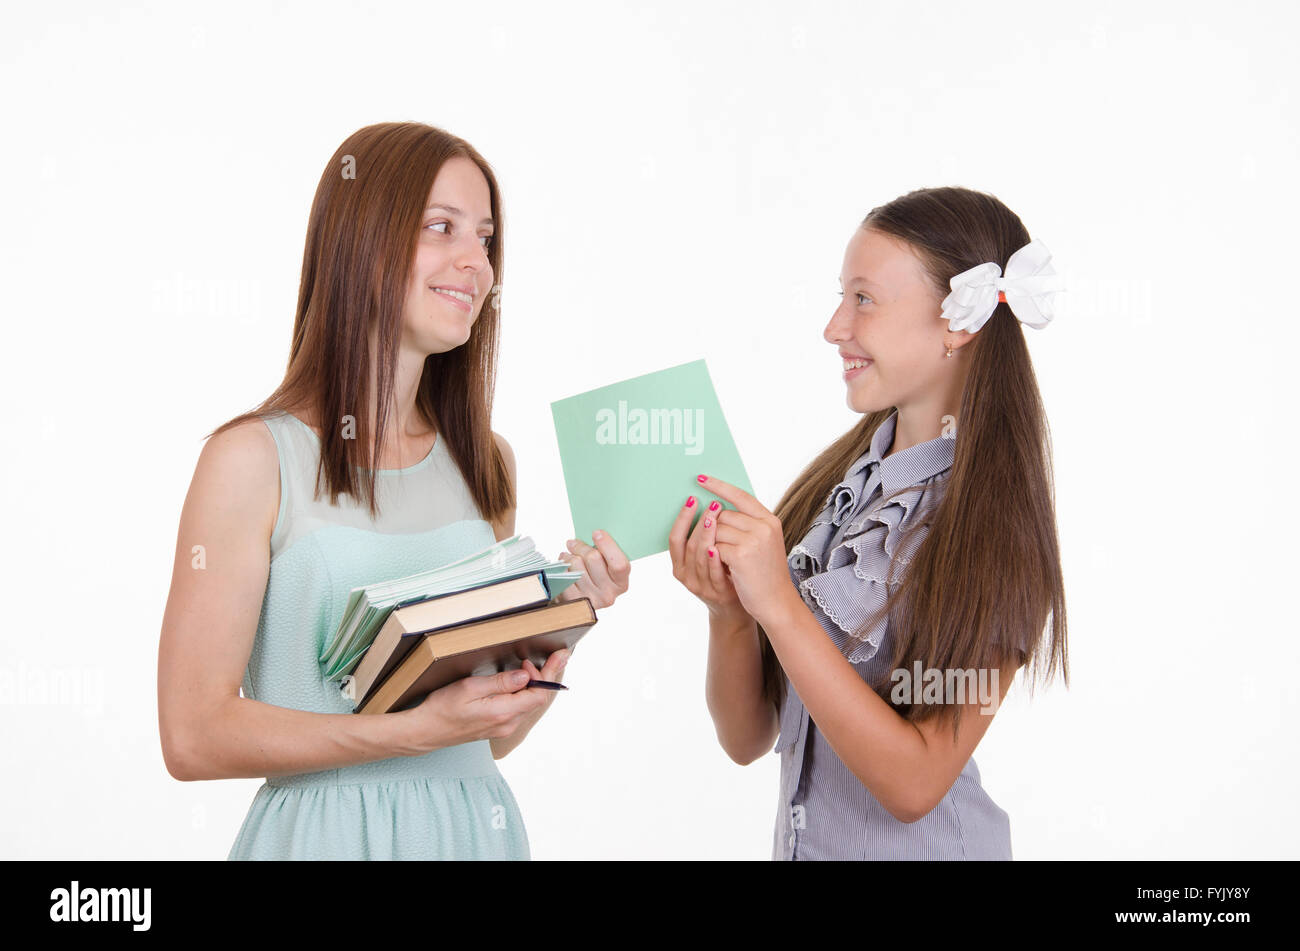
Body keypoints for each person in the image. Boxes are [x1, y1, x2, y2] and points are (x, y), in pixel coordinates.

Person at [157, 122, 630, 860]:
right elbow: (192, 735)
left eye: (486, 238)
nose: (477, 263)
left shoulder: (486, 462)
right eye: (442, 227)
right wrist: (406, 733)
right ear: (363, 240)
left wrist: (565, 625)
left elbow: (486, 744)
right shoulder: (252, 459)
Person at [667, 186, 1068, 859]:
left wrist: (780, 606)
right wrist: (732, 614)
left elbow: (916, 783)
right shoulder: (841, 492)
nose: (835, 327)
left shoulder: (993, 531)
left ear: (957, 325)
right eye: (841, 296)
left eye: (864, 299)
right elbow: (747, 738)